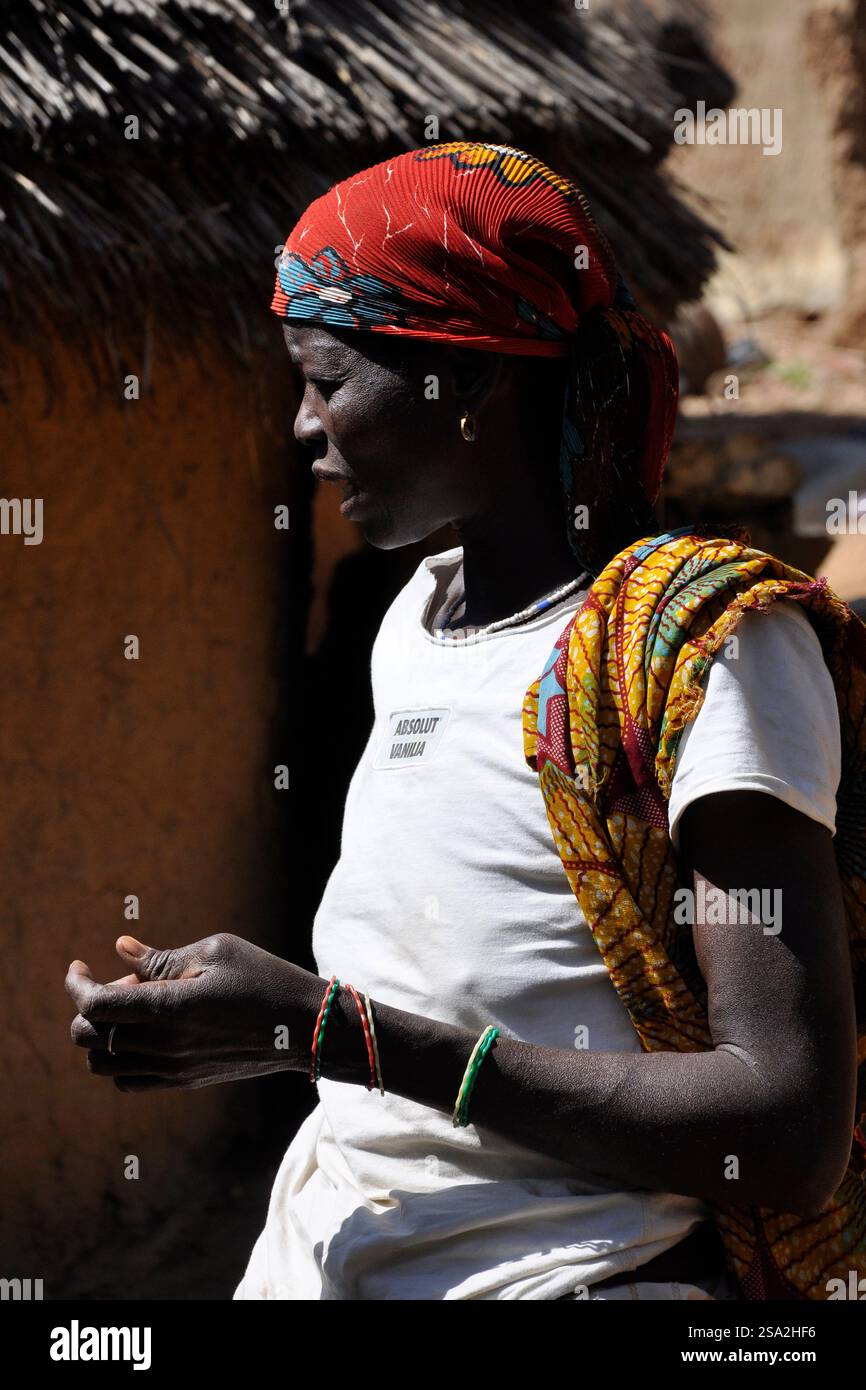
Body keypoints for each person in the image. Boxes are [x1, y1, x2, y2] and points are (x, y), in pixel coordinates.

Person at [66, 143, 864, 1301]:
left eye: (326, 381)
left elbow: (786, 1130)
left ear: (473, 381)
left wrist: (334, 1032)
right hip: (325, 1255)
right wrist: (276, 1031)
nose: (300, 427)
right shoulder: (414, 619)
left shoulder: (695, 653)